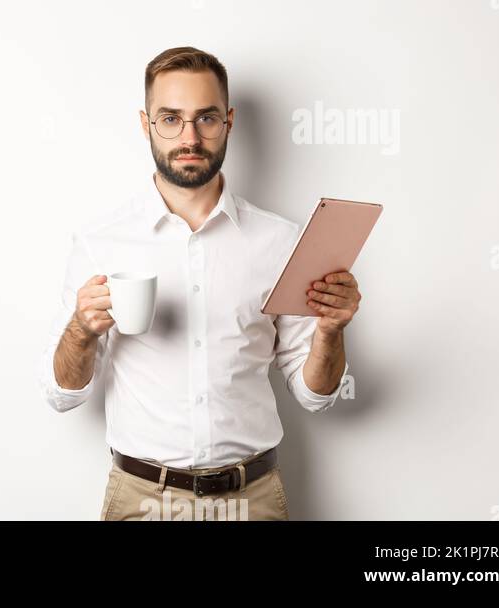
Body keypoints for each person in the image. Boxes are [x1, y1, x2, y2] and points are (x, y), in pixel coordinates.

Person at [39, 47, 362, 521]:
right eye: (170, 118)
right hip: (141, 500)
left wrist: (331, 331)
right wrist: (81, 331)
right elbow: (62, 394)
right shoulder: (100, 243)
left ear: (228, 121)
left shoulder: (281, 241)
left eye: (206, 118)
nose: (189, 137)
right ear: (146, 123)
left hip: (251, 500)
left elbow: (315, 394)